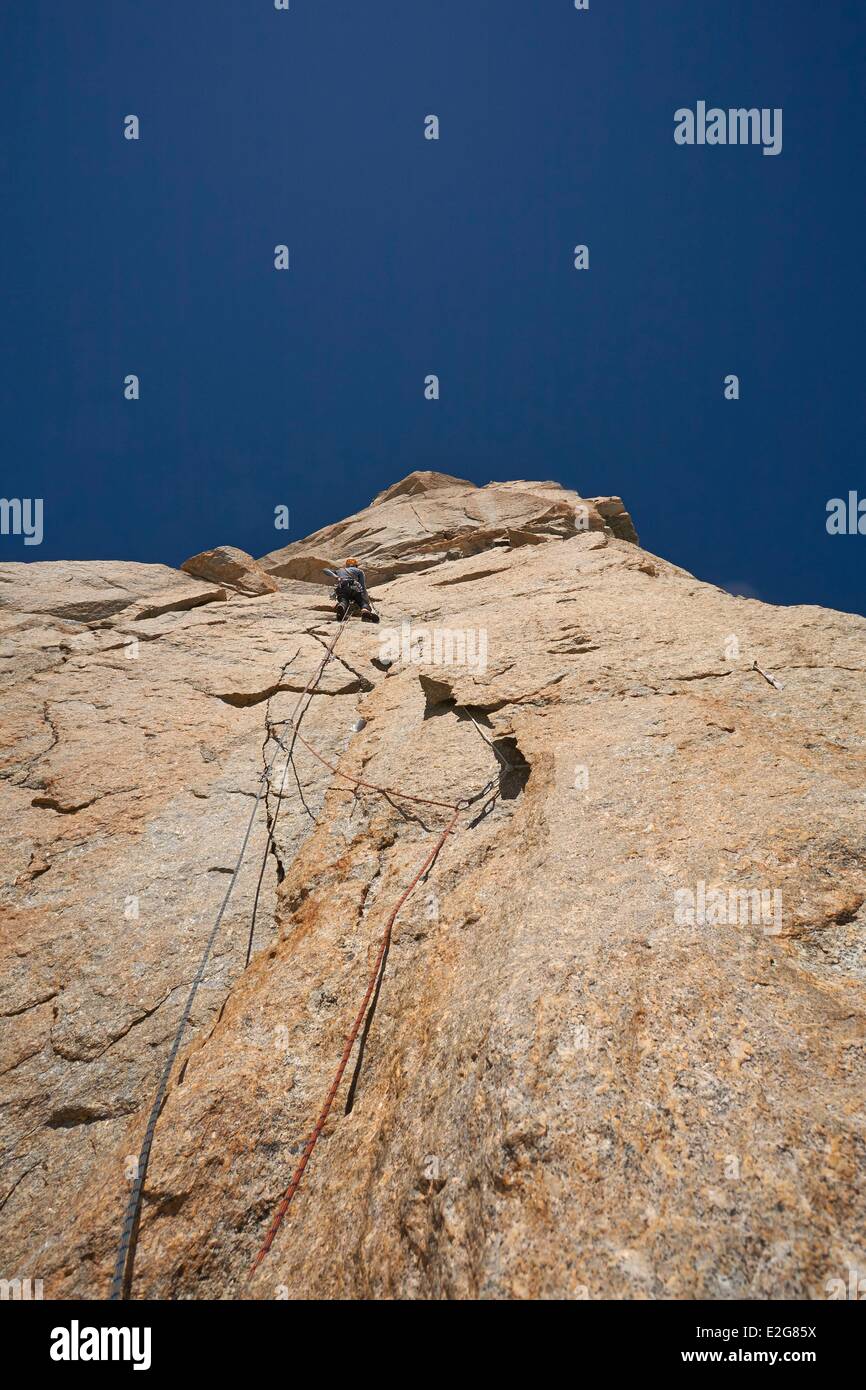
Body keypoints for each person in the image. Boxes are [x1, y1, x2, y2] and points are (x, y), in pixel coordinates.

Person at [324, 557, 379, 622]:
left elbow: (325, 570)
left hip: (342, 588)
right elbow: (362, 586)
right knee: (361, 601)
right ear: (356, 565)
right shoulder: (359, 571)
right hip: (354, 589)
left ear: (347, 565)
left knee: (344, 600)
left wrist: (336, 576)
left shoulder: (340, 570)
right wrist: (366, 599)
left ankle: (342, 606)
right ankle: (365, 610)